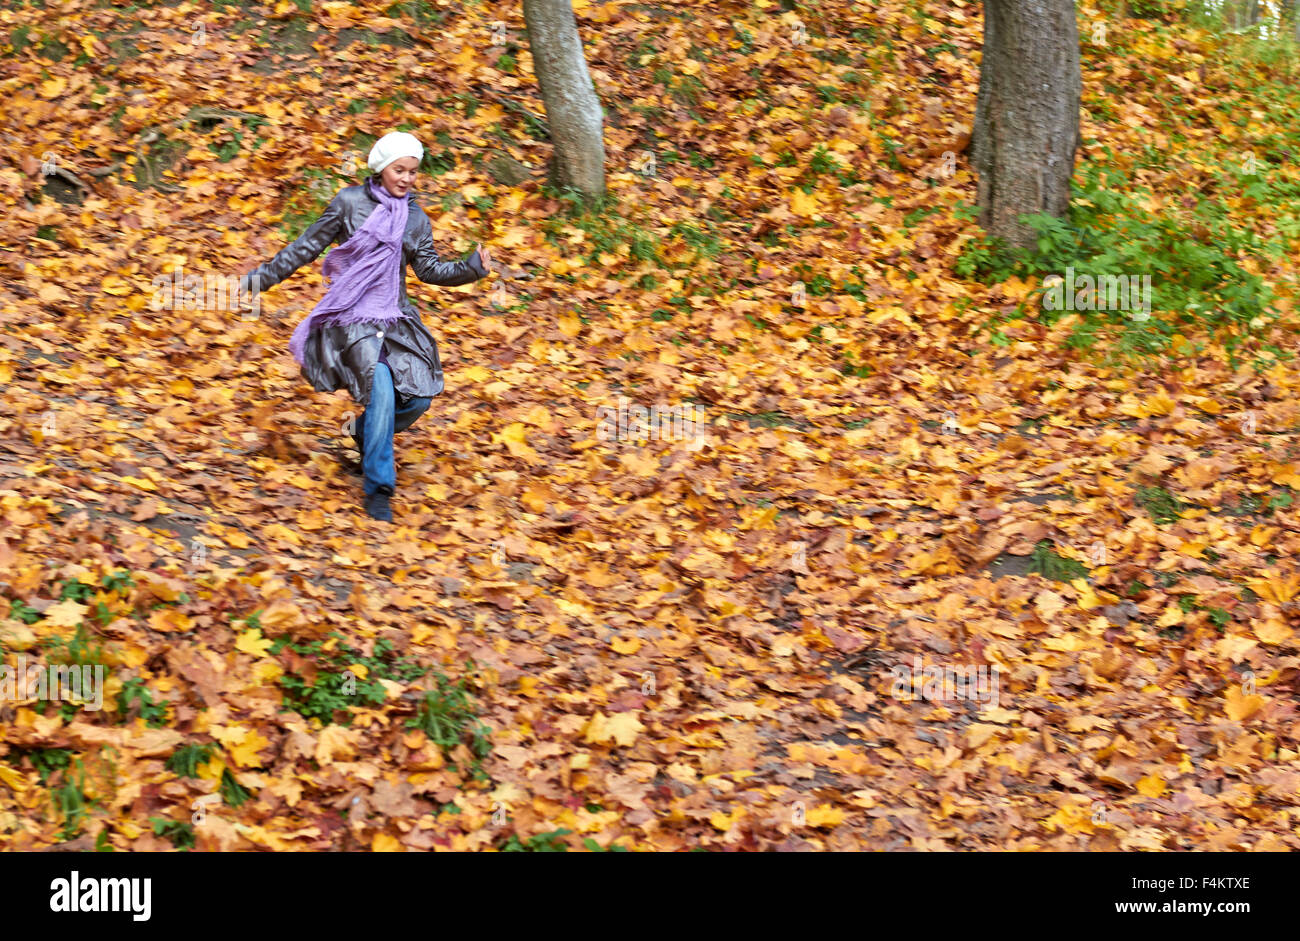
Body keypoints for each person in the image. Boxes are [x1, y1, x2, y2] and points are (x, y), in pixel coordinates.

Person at [239, 131, 494, 522]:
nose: (407, 179)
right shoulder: (349, 204)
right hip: (352, 317)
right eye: (399, 170)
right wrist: (263, 278)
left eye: (413, 172)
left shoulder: (414, 218)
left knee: (419, 398)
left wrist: (469, 269)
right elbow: (307, 246)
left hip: (395, 318)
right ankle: (378, 488)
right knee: (380, 387)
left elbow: (429, 269)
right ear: (381, 168)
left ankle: (362, 432)